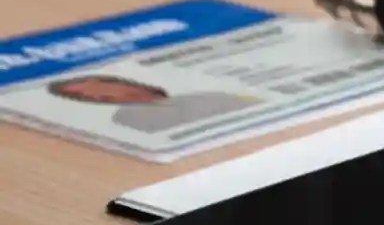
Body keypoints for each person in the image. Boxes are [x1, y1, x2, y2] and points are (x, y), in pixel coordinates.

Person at [47, 74, 258, 134]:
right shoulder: (128, 118)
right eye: (86, 96)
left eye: (95, 88)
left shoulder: (197, 88)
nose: (96, 96)